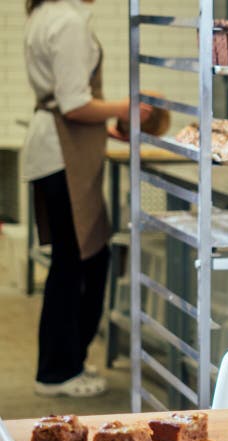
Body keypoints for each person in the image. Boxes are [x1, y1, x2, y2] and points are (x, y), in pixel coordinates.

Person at [20, 0, 151, 397]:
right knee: (77, 263)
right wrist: (128, 107)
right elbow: (75, 104)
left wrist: (104, 126)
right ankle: (58, 372)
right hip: (64, 153)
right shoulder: (68, 19)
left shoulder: (45, 13)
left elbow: (68, 100)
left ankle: (68, 360)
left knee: (82, 260)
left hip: (62, 149)